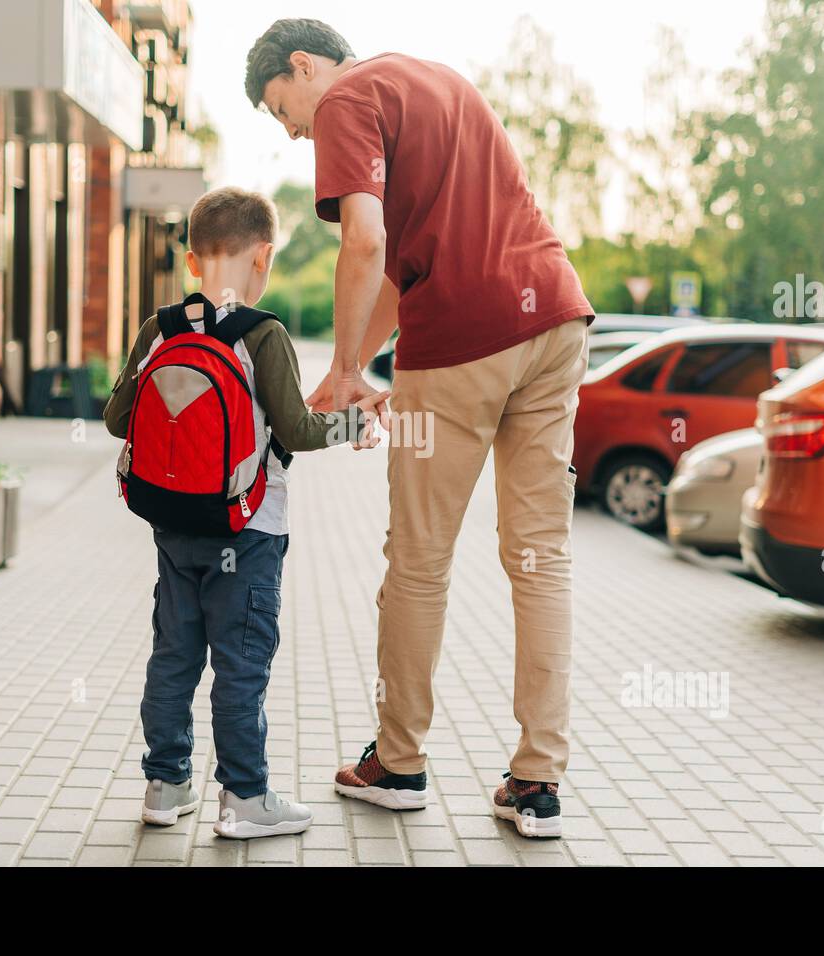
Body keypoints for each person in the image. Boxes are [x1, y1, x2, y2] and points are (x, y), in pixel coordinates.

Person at [245, 19, 594, 837]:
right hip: (556, 323)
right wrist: (354, 370)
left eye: (281, 108)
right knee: (540, 557)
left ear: (304, 66)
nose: (294, 129)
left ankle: (398, 764)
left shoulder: (347, 100)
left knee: (418, 561)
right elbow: (403, 273)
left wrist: (336, 373)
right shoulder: (439, 80)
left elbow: (363, 245)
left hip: (462, 347)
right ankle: (536, 785)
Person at [103, 186, 388, 839]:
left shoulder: (160, 328)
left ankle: (165, 784)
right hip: (248, 528)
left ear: (193, 261)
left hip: (173, 524)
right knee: (241, 659)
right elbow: (300, 429)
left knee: (174, 653)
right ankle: (244, 797)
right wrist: (353, 421)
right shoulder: (263, 335)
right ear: (264, 257)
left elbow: (118, 418)